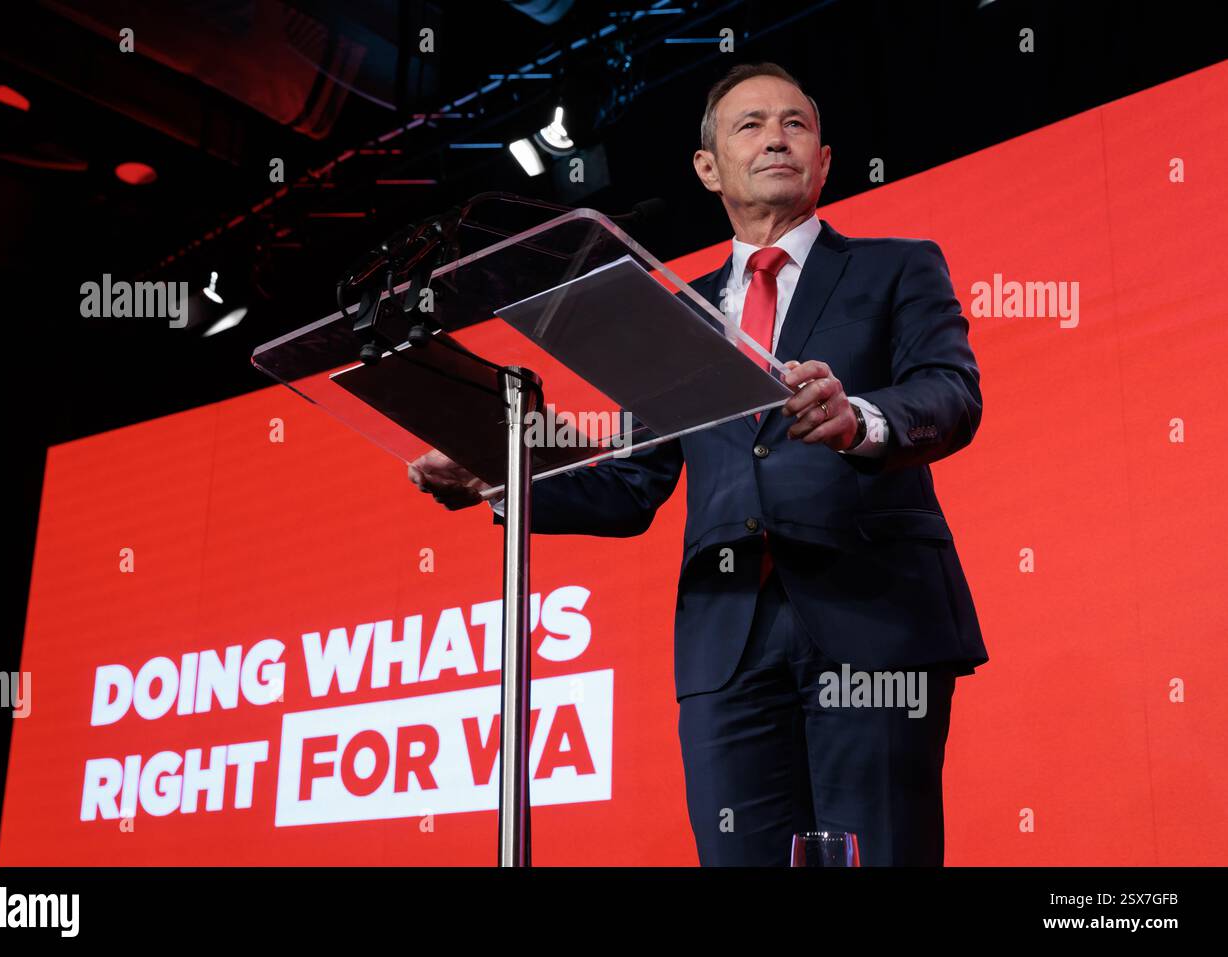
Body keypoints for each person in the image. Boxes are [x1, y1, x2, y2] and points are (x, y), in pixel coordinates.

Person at [407, 62, 987, 866]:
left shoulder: (897, 266)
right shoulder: (674, 313)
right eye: (750, 124)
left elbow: (950, 391)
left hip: (875, 619)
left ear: (823, 161)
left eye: (796, 123)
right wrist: (499, 474)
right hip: (727, 643)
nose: (776, 136)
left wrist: (859, 418)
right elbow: (635, 484)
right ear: (707, 167)